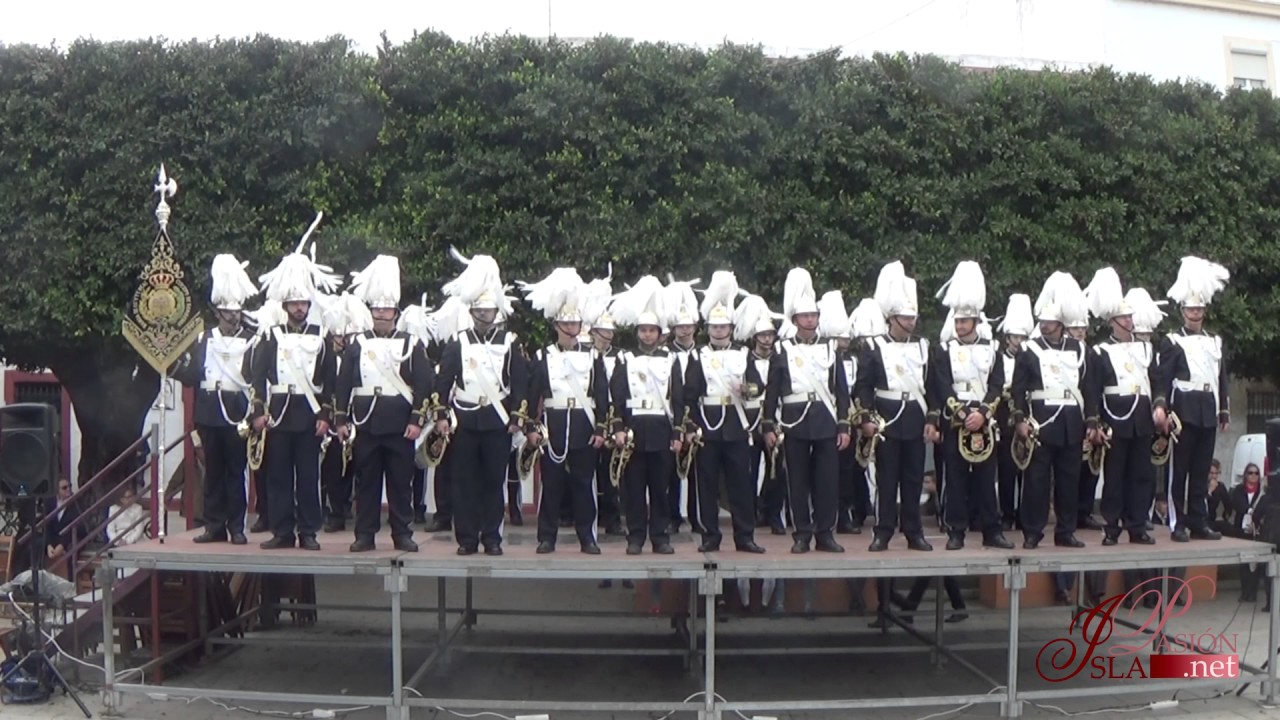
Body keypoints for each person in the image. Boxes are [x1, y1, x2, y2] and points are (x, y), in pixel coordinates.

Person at [250, 221, 341, 551]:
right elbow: (257, 376)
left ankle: (309, 532)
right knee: (277, 479)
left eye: (303, 303)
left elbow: (330, 381)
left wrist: (326, 416)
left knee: (307, 478)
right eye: (293, 304)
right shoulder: (271, 336)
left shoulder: (321, 335)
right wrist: (258, 412)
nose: (299, 308)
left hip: (309, 416)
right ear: (285, 306)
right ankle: (282, 531)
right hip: (277, 416)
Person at [433, 251, 529, 556]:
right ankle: (466, 539)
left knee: (493, 482)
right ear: (473, 312)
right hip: (465, 420)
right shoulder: (458, 342)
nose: (485, 317)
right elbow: (443, 382)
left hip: (497, 421)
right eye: (480, 312)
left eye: (489, 312)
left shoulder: (510, 342)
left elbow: (520, 384)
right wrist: (441, 415)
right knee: (463, 483)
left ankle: (492, 538)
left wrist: (517, 416)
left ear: (496, 313)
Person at [336, 256, 433, 553]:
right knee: (366, 484)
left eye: (386, 309)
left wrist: (417, 420)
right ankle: (364, 534)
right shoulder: (358, 343)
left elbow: (424, 383)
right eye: (377, 309)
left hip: (400, 425)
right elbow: (343, 383)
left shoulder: (411, 343)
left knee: (400, 484)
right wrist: (341, 419)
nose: (381, 314)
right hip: (366, 424)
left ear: (395, 312)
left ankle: (402, 533)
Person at [519, 268, 609, 555]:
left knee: (584, 485)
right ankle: (547, 536)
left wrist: (601, 428)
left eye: (575, 323)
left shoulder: (593, 356)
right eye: (565, 324)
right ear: (556, 326)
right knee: (552, 485)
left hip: (584, 423)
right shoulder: (542, 356)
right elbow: (533, 395)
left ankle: (588, 537)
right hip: (554, 425)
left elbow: (602, 396)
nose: (570, 329)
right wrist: (531, 428)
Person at [764, 269, 852, 554]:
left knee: (827, 482)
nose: (810, 320)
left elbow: (840, 391)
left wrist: (843, 425)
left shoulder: (831, 348)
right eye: (805, 316)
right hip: (795, 421)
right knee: (797, 483)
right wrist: (768, 424)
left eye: (813, 315)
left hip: (825, 422)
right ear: (795, 320)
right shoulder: (781, 349)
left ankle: (825, 533)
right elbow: (773, 390)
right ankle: (802, 533)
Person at [174, 254, 259, 545]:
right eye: (227, 311)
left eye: (236, 311)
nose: (233, 316)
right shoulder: (204, 339)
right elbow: (194, 375)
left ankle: (237, 526)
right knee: (213, 473)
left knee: (236, 473)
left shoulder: (251, 339)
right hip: (210, 411)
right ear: (217, 312)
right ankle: (214, 525)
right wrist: (173, 366)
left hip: (237, 412)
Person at [1011, 272, 1099, 549]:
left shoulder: (1079, 349)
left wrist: (1092, 421)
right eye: (1043, 322)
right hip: (1040, 422)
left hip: (1071, 422)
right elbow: (1017, 389)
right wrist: (1020, 419)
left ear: (1060, 324)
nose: (1045, 326)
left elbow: (1088, 388)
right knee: (1036, 481)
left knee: (1068, 481)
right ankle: (1033, 531)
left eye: (1050, 322)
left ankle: (1065, 530)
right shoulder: (1029, 349)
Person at [930, 261, 1013, 550]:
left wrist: (984, 413)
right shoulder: (943, 350)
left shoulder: (993, 349)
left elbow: (997, 384)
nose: (960, 325)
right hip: (957, 419)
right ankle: (956, 532)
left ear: (976, 322)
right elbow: (942, 386)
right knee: (955, 479)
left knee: (986, 479)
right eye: (957, 321)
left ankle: (992, 530)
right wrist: (964, 415)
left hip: (984, 421)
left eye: (965, 321)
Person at [683, 271, 765, 553]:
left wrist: (747, 390)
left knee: (741, 485)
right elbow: (690, 395)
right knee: (706, 485)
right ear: (708, 329)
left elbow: (759, 386)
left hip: (736, 425)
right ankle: (710, 536)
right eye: (714, 328)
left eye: (723, 327)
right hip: (708, 426)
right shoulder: (697, 356)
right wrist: (692, 427)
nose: (719, 331)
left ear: (730, 328)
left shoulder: (744, 354)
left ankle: (745, 536)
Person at [1082, 270, 1165, 546]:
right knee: (1114, 476)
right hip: (1115, 419)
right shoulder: (1100, 351)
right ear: (1114, 322)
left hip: (1141, 419)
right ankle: (1112, 526)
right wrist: (1094, 423)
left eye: (1131, 317)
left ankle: (1137, 525)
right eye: (1126, 318)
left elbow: (1157, 381)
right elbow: (1092, 389)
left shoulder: (1146, 348)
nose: (1131, 321)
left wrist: (1159, 405)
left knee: (1141, 475)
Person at [856, 261, 933, 552]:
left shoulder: (924, 346)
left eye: (913, 317)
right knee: (886, 480)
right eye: (905, 317)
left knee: (913, 479)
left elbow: (932, 386)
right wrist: (866, 416)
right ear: (893, 318)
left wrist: (932, 419)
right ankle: (883, 531)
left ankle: (914, 531)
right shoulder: (873, 347)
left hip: (914, 415)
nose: (911, 322)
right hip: (886, 419)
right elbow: (863, 385)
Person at [608, 276, 685, 555]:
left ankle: (660, 536)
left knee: (661, 489)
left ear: (660, 333)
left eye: (652, 331)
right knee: (634, 490)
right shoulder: (624, 360)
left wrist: (678, 433)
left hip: (662, 430)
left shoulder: (671, 360)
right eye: (643, 331)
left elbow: (678, 399)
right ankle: (636, 537)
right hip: (633, 432)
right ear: (637, 332)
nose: (648, 335)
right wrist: (617, 428)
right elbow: (616, 398)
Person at [1159, 256, 1231, 542]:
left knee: (1201, 470)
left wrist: (1224, 411)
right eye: (1191, 309)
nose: (1195, 313)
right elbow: (1163, 378)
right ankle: (1177, 522)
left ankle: (1199, 520)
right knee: (1180, 470)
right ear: (1182, 311)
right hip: (1183, 410)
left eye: (1199, 308)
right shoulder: (1172, 341)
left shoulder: (1215, 341)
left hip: (1207, 408)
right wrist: (1162, 406)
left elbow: (1221, 377)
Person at [736, 294, 786, 536]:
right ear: (755, 337)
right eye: (763, 336)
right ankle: (751, 512)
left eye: (770, 335)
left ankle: (773, 513)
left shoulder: (781, 359)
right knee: (749, 471)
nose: (767, 340)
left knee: (777, 470)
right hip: (750, 420)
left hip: (776, 420)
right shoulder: (744, 359)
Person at [321, 294, 366, 534]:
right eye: (341, 337)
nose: (345, 341)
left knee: (363, 471)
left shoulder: (365, 355)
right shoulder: (330, 359)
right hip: (337, 421)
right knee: (335, 470)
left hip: (362, 418)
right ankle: (336, 513)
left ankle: (358, 514)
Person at [664, 277, 701, 533]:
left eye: (688, 326)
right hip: (672, 414)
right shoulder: (666, 353)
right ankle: (672, 516)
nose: (684, 330)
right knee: (670, 469)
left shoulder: (703, 352)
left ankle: (697, 518)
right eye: (679, 326)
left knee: (699, 470)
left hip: (700, 414)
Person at [995, 295, 1033, 531]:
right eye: (1014, 337)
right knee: (1006, 468)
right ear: (1007, 337)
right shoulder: (998, 358)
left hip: (1026, 416)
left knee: (1027, 468)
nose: (1018, 341)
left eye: (1022, 337)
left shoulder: (1032, 358)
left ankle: (1024, 514)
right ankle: (1007, 512)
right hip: (1003, 417)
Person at [1231, 463, 1266, 605]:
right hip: (1242, 530)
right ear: (1245, 474)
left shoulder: (1262, 492)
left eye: (1256, 473)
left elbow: (1264, 507)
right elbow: (1237, 504)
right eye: (1250, 473)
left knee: (1254, 563)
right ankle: (1244, 591)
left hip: (1256, 531)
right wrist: (1249, 510)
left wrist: (1255, 517)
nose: (1253, 476)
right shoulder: (1239, 490)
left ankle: (1253, 592)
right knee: (1243, 563)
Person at [44, 478, 81, 563]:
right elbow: (47, 525)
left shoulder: (76, 502)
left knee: (72, 549)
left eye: (70, 486)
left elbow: (77, 526)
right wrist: (49, 545)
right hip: (54, 538)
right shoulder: (50, 503)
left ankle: (71, 576)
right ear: (57, 490)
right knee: (35, 545)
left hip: (70, 538)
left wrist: (62, 545)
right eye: (64, 488)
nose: (68, 489)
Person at [1207, 459, 1231, 534]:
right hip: (1203, 521)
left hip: (1214, 520)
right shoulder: (1201, 486)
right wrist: (1209, 492)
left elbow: (1228, 504)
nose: (1214, 476)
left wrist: (1224, 516)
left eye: (1216, 473)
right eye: (1211, 473)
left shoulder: (1220, 486)